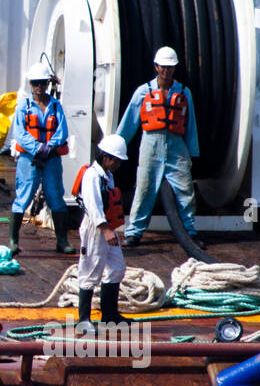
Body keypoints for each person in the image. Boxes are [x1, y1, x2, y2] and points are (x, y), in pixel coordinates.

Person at [115, 45, 202, 248]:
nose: (166, 70)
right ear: (156, 67)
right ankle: (134, 233)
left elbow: (191, 125)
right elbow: (129, 122)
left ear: (175, 68)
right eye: (163, 66)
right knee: (144, 189)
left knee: (185, 191)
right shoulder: (143, 92)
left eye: (170, 67)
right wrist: (117, 147)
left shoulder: (183, 93)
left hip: (176, 146)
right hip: (150, 145)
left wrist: (192, 152)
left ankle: (190, 232)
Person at [2, 61, 74, 258]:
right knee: (23, 197)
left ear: (48, 84)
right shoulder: (23, 107)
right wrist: (38, 148)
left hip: (51, 160)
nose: (39, 87)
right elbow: (21, 133)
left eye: (43, 83)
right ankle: (13, 242)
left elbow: (62, 131)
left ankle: (62, 241)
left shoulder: (56, 106)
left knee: (56, 197)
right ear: (30, 85)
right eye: (36, 83)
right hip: (29, 160)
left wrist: (48, 148)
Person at [75, 133, 130, 329]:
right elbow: (93, 206)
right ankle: (83, 320)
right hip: (95, 228)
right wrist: (105, 230)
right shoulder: (92, 176)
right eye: (117, 161)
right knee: (90, 270)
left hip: (107, 227)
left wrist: (113, 229)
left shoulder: (107, 176)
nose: (118, 165)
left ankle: (109, 315)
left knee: (117, 267)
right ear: (106, 158)